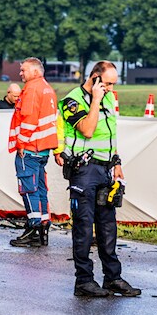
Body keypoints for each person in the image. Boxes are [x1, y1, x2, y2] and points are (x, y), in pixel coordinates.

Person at [54, 61, 140, 297]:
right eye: (108, 83)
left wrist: (117, 162)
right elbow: (88, 130)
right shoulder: (72, 101)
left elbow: (110, 134)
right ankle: (83, 281)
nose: (111, 89)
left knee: (107, 226)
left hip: (105, 169)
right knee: (83, 228)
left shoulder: (109, 98)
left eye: (113, 83)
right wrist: (94, 100)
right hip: (84, 171)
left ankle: (113, 277)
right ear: (94, 78)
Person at [7, 58, 57, 247]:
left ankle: (34, 229)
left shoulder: (32, 89)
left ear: (36, 71)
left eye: (24, 70)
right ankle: (43, 226)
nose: (20, 73)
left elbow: (28, 119)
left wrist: (21, 143)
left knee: (29, 189)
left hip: (30, 147)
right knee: (41, 189)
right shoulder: (47, 88)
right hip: (43, 149)